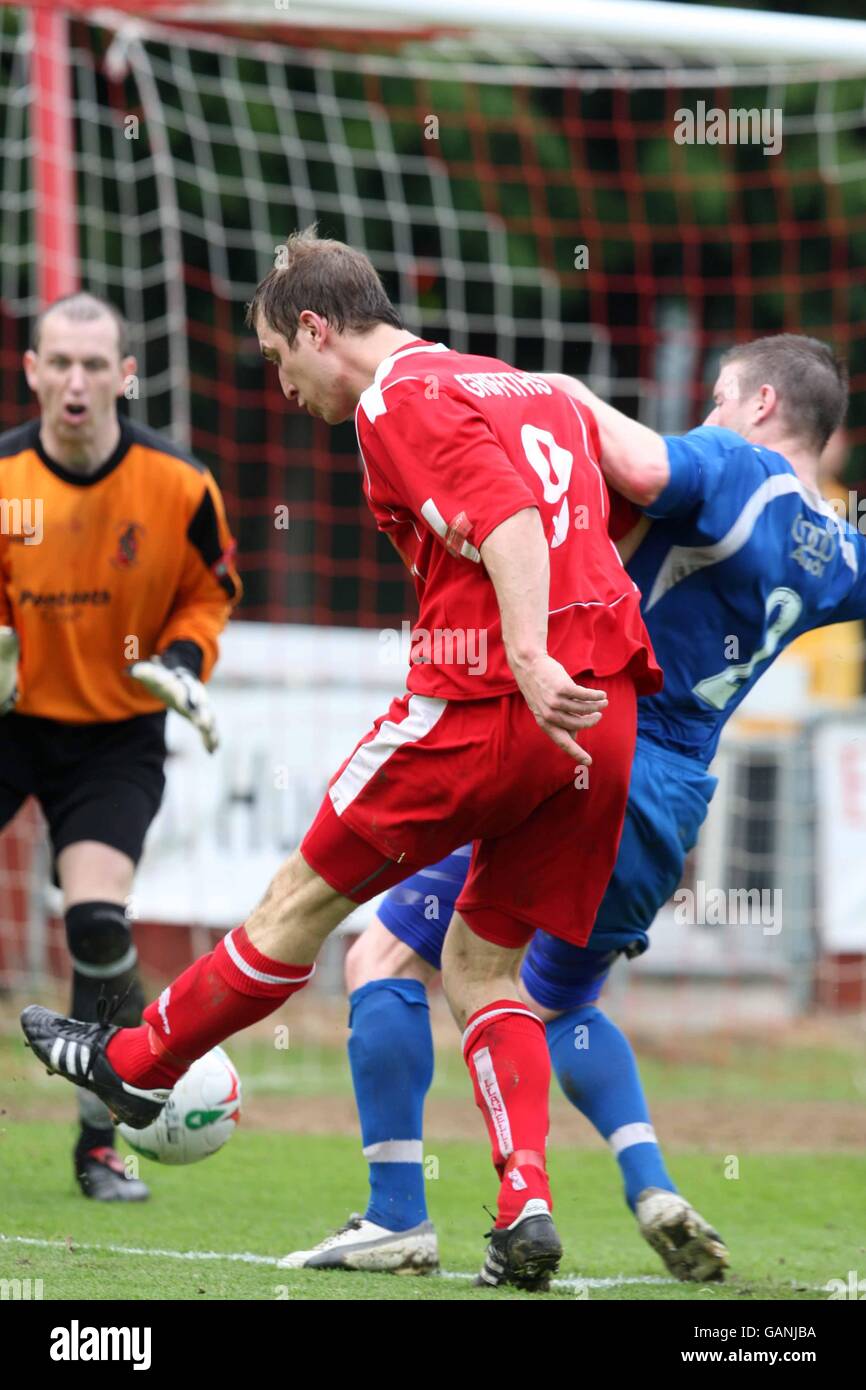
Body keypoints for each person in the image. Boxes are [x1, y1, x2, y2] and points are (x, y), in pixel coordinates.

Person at [21, 229, 661, 1291]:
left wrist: (529, 652)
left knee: (296, 906)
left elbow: (504, 519)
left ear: (317, 328)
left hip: (493, 700)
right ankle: (522, 1202)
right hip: (603, 717)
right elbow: (616, 496)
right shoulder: (527, 386)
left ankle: (131, 1067)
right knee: (482, 965)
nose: (282, 384)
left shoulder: (391, 400)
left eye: (279, 356)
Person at [282, 333, 859, 1287]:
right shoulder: (838, 551)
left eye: (718, 398)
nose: (707, 415)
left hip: (590, 747)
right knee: (559, 1004)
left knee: (385, 954)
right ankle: (651, 1185)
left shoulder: (732, 462)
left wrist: (532, 389)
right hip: (674, 806)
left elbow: (633, 458)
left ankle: (401, 1213)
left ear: (760, 406)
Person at [2, 292, 240, 1200]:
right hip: (10, 721)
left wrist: (182, 659)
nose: (75, 381)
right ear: (32, 371)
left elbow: (211, 592)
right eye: (58, 362)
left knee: (98, 922)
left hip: (114, 738)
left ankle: (99, 1140)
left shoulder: (178, 485)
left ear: (125, 376)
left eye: (95, 365)